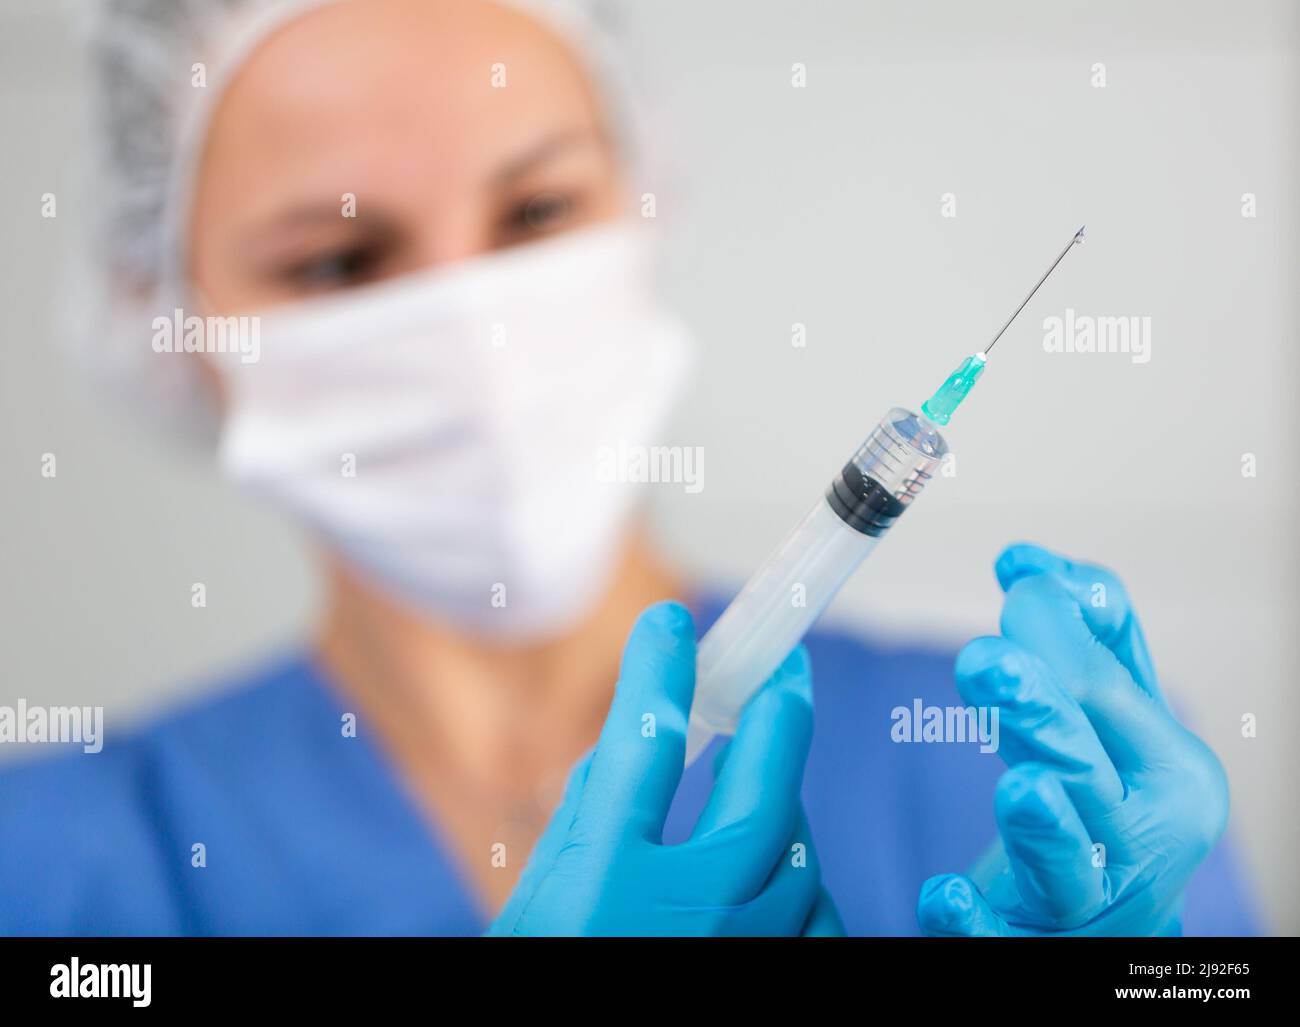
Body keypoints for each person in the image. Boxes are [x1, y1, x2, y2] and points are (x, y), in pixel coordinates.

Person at [0, 0, 1256, 935]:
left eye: (536, 213)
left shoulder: (1014, 771)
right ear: (163, 325)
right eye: (337, 265)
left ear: (646, 202)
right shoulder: (56, 871)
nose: (474, 330)